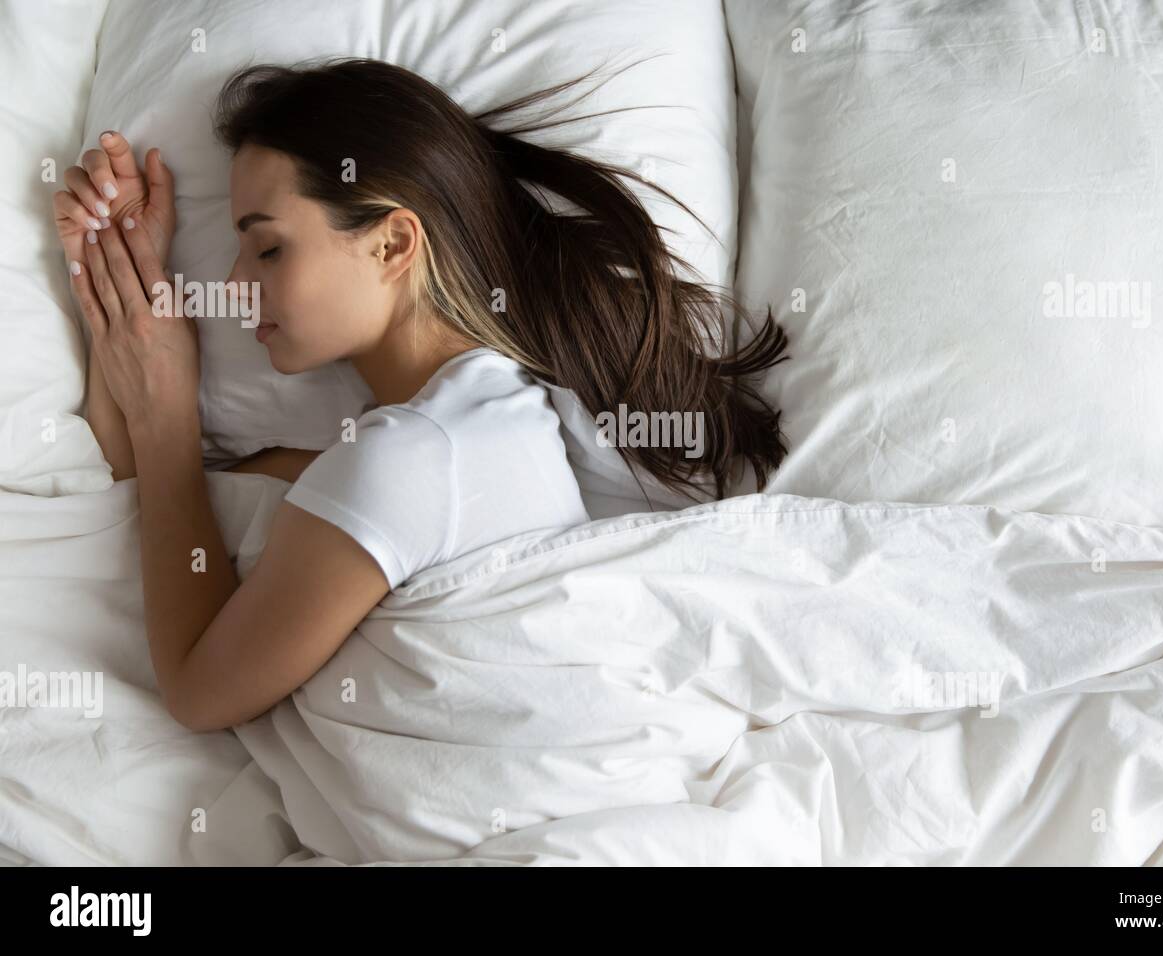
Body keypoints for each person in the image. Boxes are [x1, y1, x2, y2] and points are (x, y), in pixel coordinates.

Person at [51, 57, 787, 732]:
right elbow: (147, 493)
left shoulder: (414, 457)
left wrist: (171, 415)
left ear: (394, 244)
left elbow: (197, 693)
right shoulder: (455, 427)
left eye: (268, 247)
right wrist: (113, 273)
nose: (238, 285)